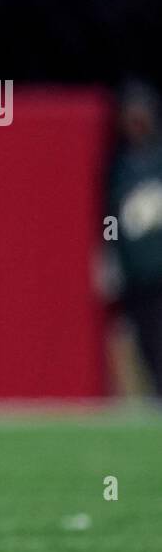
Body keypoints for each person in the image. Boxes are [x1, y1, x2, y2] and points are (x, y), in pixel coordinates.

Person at [106, 80, 162, 394]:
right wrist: (109, 257)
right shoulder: (120, 167)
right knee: (144, 340)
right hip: (137, 276)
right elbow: (110, 218)